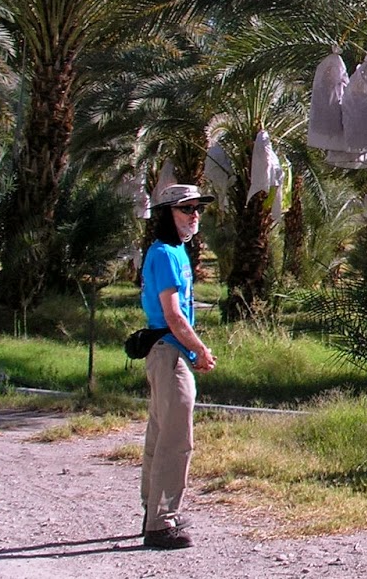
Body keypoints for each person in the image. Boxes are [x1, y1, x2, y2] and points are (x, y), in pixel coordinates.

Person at [139, 183, 218, 550]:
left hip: (169, 352)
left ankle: (152, 511)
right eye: (186, 209)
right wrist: (199, 349)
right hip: (169, 353)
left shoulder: (176, 252)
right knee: (176, 439)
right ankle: (161, 522)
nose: (194, 216)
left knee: (159, 433)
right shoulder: (165, 255)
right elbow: (173, 315)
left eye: (197, 209)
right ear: (167, 215)